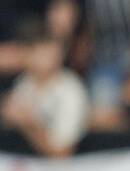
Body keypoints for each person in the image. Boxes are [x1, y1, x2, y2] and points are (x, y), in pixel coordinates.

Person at [1, 25, 89, 157]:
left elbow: (62, 153)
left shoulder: (70, 91)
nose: (50, 58)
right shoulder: (24, 84)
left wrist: (28, 124)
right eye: (40, 52)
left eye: (53, 53)